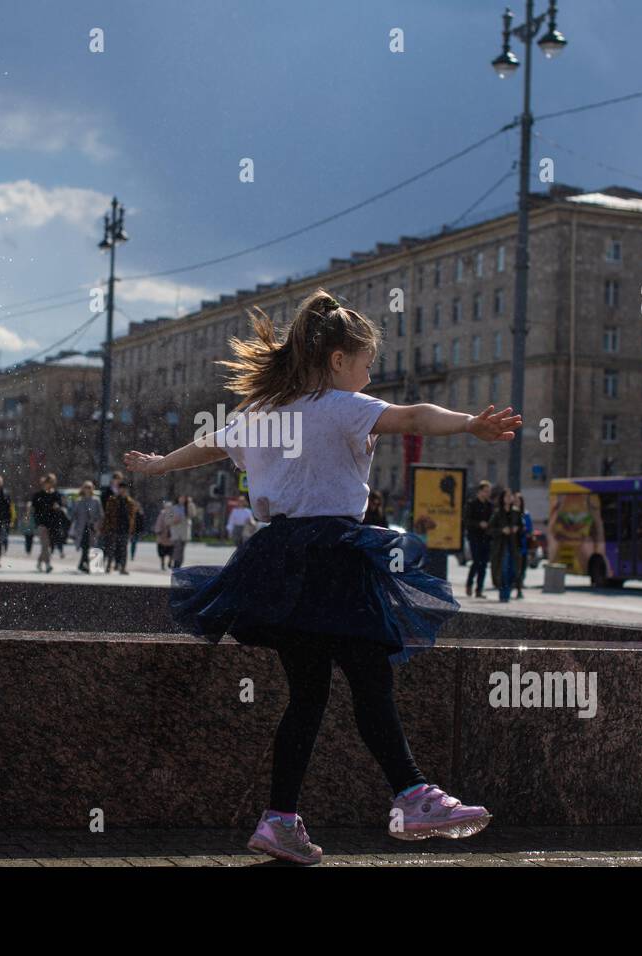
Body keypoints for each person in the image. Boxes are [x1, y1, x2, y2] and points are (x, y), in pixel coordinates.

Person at [123, 288, 521, 865]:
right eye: (365, 363)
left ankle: (280, 820)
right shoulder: (340, 405)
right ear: (338, 360)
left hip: (278, 561)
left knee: (308, 695)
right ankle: (412, 797)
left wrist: (159, 463)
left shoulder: (260, 414)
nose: (368, 373)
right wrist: (470, 424)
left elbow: (208, 446)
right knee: (369, 676)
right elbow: (412, 416)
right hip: (332, 555)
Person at [488, 487, 522, 602]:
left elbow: (522, 527)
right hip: (501, 547)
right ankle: (504, 594)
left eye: (510, 496)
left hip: (514, 546)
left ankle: (508, 591)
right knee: (503, 570)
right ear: (502, 498)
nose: (509, 498)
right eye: (506, 496)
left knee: (513, 570)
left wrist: (517, 529)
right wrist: (502, 530)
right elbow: (490, 529)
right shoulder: (497, 513)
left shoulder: (516, 512)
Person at [464, 480, 494, 598]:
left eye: (489, 492)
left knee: (484, 564)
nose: (487, 494)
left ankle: (479, 589)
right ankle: (469, 584)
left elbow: (493, 520)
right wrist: (478, 524)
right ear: (479, 492)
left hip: (486, 538)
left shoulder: (490, 506)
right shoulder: (471, 504)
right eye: (485, 491)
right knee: (476, 561)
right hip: (474, 537)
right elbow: (466, 521)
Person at [102, 481, 139, 574]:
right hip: (114, 527)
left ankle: (123, 568)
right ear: (118, 489)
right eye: (121, 489)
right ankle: (108, 566)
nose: (123, 491)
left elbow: (133, 517)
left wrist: (132, 528)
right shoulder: (113, 500)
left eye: (124, 489)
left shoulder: (130, 502)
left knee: (123, 549)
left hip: (125, 528)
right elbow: (108, 514)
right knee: (112, 548)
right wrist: (106, 527)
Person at [32, 474, 66, 573]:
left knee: (48, 546)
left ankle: (39, 562)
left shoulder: (56, 494)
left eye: (52, 483)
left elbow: (60, 506)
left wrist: (58, 507)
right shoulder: (38, 495)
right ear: (45, 482)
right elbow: (35, 509)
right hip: (41, 523)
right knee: (45, 544)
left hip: (53, 523)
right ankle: (48, 565)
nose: (50, 485)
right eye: (49, 482)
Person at [70, 480, 103, 573]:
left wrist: (97, 524)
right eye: (86, 487)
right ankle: (85, 565)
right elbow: (73, 514)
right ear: (83, 488)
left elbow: (100, 514)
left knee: (90, 547)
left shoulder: (96, 500)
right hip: (81, 527)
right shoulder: (78, 500)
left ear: (92, 489)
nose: (87, 489)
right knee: (85, 546)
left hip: (92, 527)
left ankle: (83, 565)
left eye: (89, 487)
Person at [515, 493, 533, 599]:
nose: (517, 502)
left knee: (521, 568)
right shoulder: (510, 513)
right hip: (513, 545)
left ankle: (519, 586)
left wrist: (524, 530)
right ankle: (514, 586)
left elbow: (529, 529)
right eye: (515, 500)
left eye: (519, 500)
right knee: (513, 568)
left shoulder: (525, 514)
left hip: (523, 545)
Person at [170, 497, 193, 569]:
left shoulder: (188, 507)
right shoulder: (173, 508)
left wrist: (190, 504)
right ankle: (176, 563)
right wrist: (174, 520)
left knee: (182, 549)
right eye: (181, 497)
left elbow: (193, 514)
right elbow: (168, 518)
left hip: (185, 532)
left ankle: (179, 563)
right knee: (177, 548)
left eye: (184, 498)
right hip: (176, 531)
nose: (182, 499)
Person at [154, 501, 176, 570]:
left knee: (171, 551)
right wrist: (158, 531)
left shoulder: (172, 514)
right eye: (167, 507)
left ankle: (169, 562)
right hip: (163, 535)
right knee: (162, 551)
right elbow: (158, 523)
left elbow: (175, 523)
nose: (168, 509)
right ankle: (163, 563)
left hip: (170, 536)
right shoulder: (162, 514)